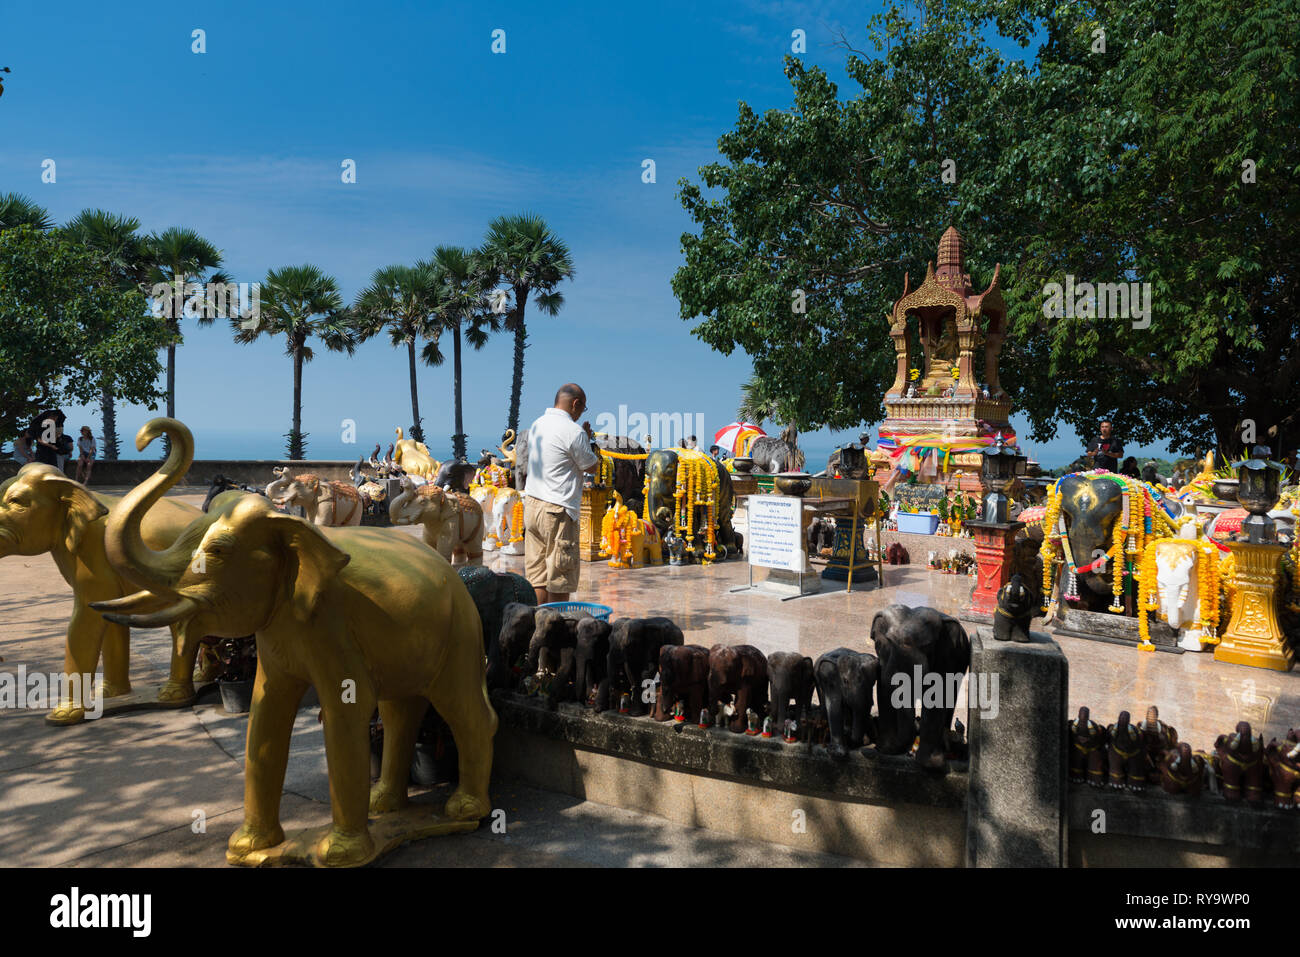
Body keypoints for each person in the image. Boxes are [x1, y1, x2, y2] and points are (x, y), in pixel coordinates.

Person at [523, 383, 601, 605]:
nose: (579, 414)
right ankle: (556, 632)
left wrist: (581, 438)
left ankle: (538, 625)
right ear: (576, 404)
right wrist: (586, 439)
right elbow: (590, 465)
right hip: (557, 510)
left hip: (533, 504)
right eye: (582, 408)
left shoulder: (538, 423)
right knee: (560, 577)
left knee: (537, 577)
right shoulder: (574, 431)